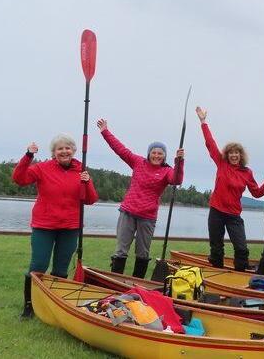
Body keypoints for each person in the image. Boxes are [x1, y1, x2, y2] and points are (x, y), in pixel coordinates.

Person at [12, 134, 98, 318]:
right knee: (38, 266)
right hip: (44, 225)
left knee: (60, 270)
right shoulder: (42, 168)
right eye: (60, 148)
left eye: (68, 148)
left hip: (70, 227)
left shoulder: (81, 171)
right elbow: (19, 178)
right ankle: (29, 307)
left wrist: (87, 181)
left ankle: (54, 306)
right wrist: (28, 156)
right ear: (54, 152)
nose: (64, 151)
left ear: (74, 151)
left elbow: (90, 199)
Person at [97, 118, 185, 278]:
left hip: (148, 217)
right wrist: (105, 132)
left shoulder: (167, 171)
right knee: (121, 250)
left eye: (160, 153)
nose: (156, 155)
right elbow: (121, 150)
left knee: (142, 253)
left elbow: (177, 180)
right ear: (149, 153)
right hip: (128, 212)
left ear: (164, 156)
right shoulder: (138, 162)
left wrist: (179, 161)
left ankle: (138, 284)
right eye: (154, 152)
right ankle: (115, 281)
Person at [196, 106, 264, 271]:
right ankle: (217, 272)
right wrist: (203, 122)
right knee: (216, 249)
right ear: (227, 154)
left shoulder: (247, 172)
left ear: (241, 156)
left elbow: (257, 193)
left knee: (241, 248)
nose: (233, 155)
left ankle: (240, 274)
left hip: (233, 215)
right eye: (230, 153)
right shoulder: (221, 163)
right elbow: (210, 144)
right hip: (216, 212)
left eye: (236, 153)